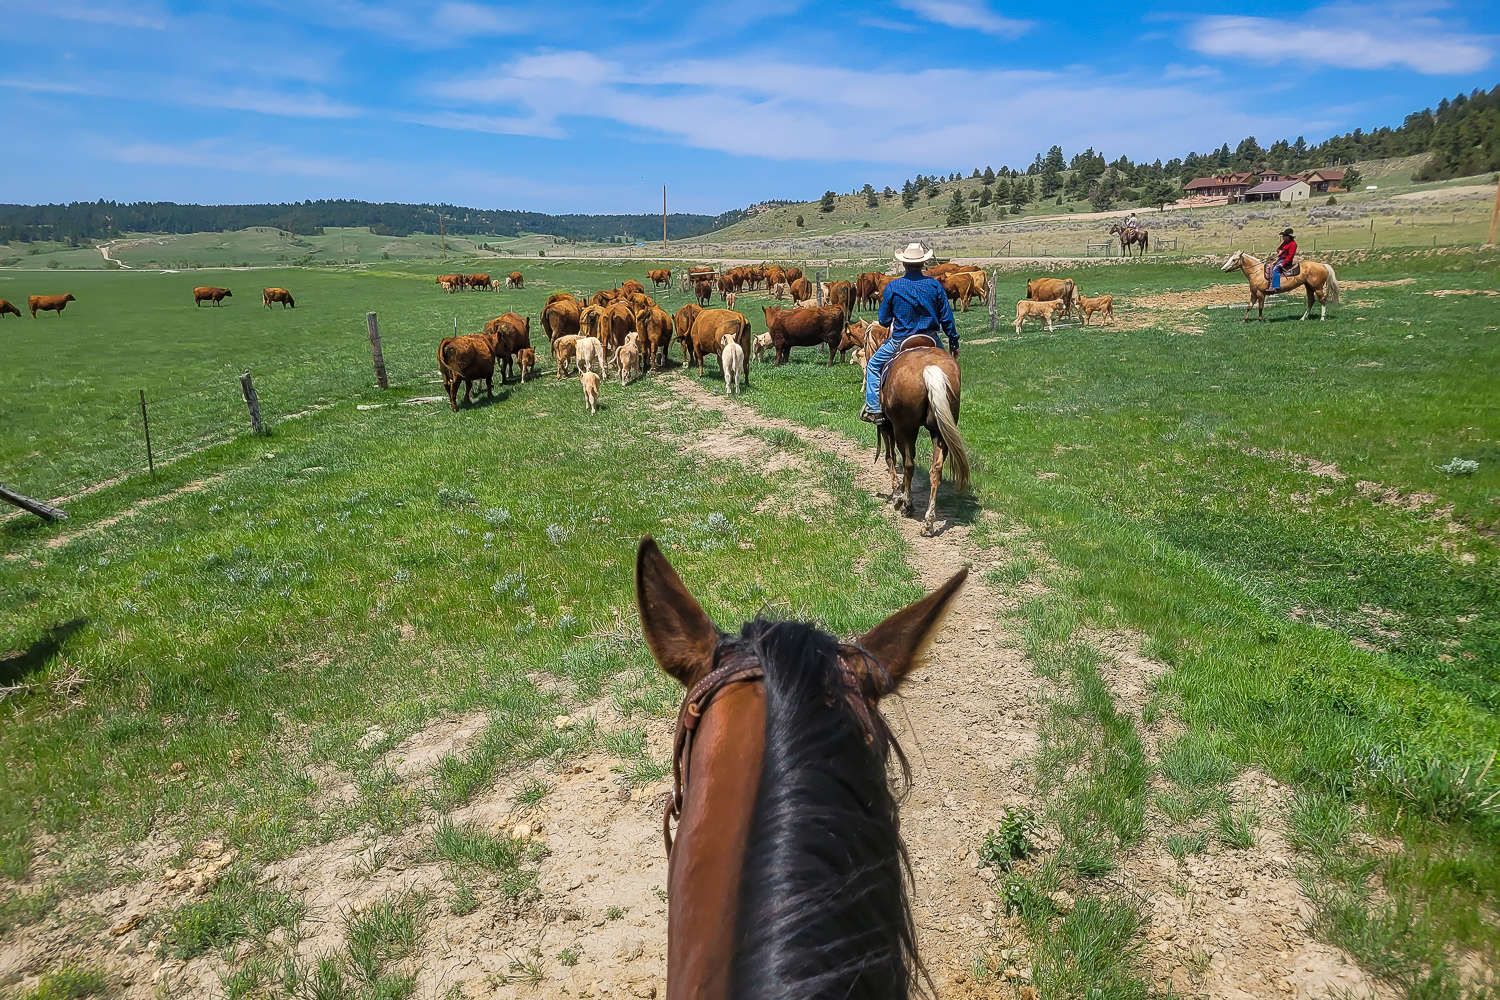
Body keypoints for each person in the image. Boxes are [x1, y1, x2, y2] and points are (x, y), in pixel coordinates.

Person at [860, 242, 958, 425]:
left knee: (873, 365)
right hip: (931, 339)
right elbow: (947, 318)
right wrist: (954, 342)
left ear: (904, 264)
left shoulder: (893, 287)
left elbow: (883, 320)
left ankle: (874, 409)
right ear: (922, 264)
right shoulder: (934, 286)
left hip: (900, 340)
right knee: (950, 367)